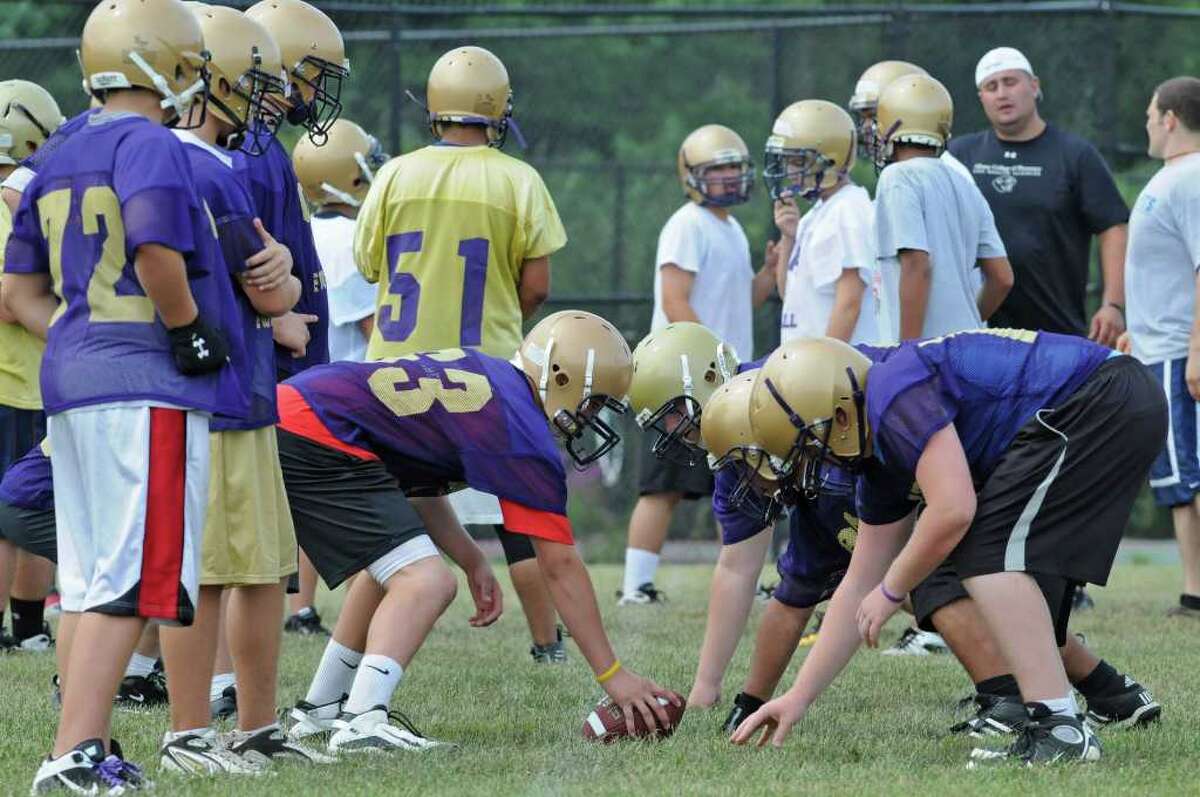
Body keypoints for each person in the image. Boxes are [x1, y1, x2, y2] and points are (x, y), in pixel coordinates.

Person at [732, 333, 1166, 764]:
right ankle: (1071, 716)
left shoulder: (890, 389)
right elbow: (857, 584)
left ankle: (1063, 730)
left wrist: (891, 590)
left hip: (1101, 395)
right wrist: (798, 697)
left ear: (840, 414)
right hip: (1101, 400)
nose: (815, 462)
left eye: (810, 443)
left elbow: (954, 509)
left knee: (987, 555)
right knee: (992, 563)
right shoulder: (878, 457)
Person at [3, 0, 236, 789]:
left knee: (95, 575)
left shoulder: (63, 145)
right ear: (162, 60)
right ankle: (71, 757)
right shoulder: (150, 143)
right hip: (143, 386)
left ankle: (84, 747)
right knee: (133, 579)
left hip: (73, 384)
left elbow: (15, 290)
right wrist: (185, 329)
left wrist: (75, 329)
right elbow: (152, 243)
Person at [281, 311, 680, 750]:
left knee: (394, 565)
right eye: (596, 402)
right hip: (317, 432)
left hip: (300, 413)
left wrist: (472, 559)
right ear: (562, 377)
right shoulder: (522, 431)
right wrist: (613, 675)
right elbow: (560, 566)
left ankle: (320, 707)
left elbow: (418, 494)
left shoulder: (493, 380)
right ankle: (362, 721)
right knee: (428, 582)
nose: (593, 417)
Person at [354, 45, 568, 660]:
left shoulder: (394, 174)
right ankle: (547, 642)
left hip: (391, 374)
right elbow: (538, 286)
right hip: (483, 369)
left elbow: (372, 266)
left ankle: (349, 668)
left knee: (399, 514)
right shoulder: (517, 179)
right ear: (497, 108)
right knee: (518, 511)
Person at [157, 5, 323, 774]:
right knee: (214, 567)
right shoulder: (200, 165)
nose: (264, 103)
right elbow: (270, 291)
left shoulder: (182, 159)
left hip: (239, 389)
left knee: (260, 566)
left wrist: (280, 281)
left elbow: (269, 272)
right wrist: (282, 293)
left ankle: (255, 725)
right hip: (214, 394)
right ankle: (189, 731)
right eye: (252, 83)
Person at [621, 125, 774, 605]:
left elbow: (743, 301)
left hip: (719, 378)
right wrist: (708, 360)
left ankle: (743, 578)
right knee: (663, 486)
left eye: (734, 167)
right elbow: (674, 299)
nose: (729, 177)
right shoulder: (687, 223)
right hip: (683, 378)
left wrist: (770, 272)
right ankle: (635, 587)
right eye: (718, 169)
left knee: (738, 477)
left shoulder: (727, 228)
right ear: (692, 177)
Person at [950, 47, 1129, 346]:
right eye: (991, 87)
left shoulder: (1075, 155)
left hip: (1056, 334)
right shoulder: (959, 156)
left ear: (1034, 86)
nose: (1002, 94)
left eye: (1010, 82)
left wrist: (1113, 304)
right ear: (981, 97)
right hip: (976, 335)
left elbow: (1113, 226)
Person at [286, 118, 388, 637]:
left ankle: (299, 605)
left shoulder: (303, 231)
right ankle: (352, 606)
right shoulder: (353, 238)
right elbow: (373, 327)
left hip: (301, 389)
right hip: (345, 391)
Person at [1123, 75, 1200, 619]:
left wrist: (1197, 350)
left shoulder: (1192, 177)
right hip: (1157, 346)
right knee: (1179, 478)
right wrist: (1137, 327)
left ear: (1170, 118)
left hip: (1179, 352)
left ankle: (1196, 595)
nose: (1147, 123)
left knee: (1187, 478)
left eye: (1151, 114)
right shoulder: (1171, 177)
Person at [872, 73, 1014, 342]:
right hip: (967, 354)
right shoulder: (963, 182)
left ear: (892, 128)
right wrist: (967, 325)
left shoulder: (897, 177)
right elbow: (1002, 277)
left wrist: (909, 352)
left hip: (927, 360)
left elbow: (916, 263)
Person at [0, 79, 62, 652]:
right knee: (19, 508)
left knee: (31, 505)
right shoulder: (18, 206)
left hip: (30, 379)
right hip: (19, 379)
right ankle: (19, 626)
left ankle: (27, 625)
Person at [765, 99, 881, 345]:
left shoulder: (847, 210)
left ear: (831, 160)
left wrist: (827, 367)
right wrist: (788, 237)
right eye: (786, 160)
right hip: (807, 364)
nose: (789, 170)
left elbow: (849, 302)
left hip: (833, 371)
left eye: (798, 161)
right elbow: (790, 296)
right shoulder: (818, 213)